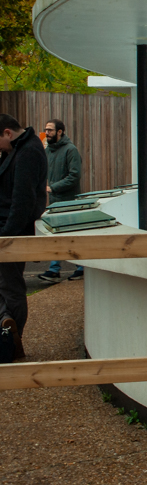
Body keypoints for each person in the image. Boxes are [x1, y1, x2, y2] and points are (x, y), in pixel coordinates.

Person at [0, 114, 49, 361]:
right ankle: (6, 328)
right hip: (9, 227)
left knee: (11, 287)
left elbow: (23, 200)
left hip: (11, 231)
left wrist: (6, 237)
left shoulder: (28, 152)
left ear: (8, 133)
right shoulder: (17, 149)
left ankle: (10, 344)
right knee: (7, 285)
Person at [38, 120, 83, 282]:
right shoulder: (48, 150)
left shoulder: (71, 150)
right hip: (54, 202)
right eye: (45, 130)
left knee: (71, 235)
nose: (47, 132)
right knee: (54, 234)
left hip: (69, 201)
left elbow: (74, 176)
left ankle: (81, 267)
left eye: (50, 130)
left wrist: (53, 187)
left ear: (60, 132)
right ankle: (54, 269)